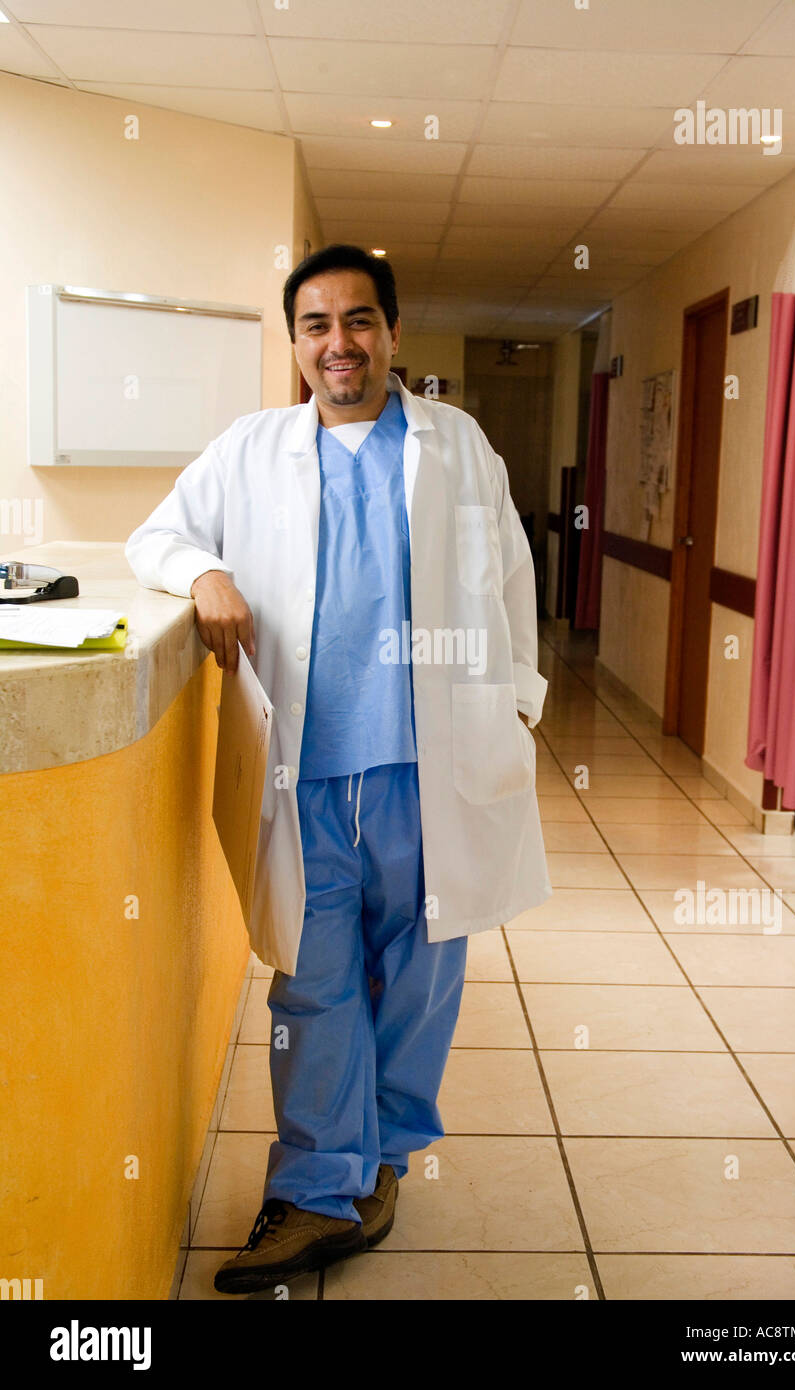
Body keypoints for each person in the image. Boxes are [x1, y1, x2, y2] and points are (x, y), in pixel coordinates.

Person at [124, 244, 551, 1295]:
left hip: (429, 767)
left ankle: (382, 1161)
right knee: (312, 983)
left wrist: (519, 703)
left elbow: (507, 579)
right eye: (315, 325)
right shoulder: (252, 448)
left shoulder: (456, 446)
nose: (338, 343)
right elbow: (156, 535)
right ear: (296, 343)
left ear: (392, 334)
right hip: (305, 770)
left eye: (358, 321)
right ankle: (316, 1187)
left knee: (417, 978)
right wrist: (207, 570)